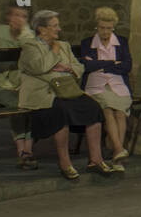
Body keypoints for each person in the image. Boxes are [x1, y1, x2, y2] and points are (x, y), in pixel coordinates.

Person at [19, 10, 121, 179]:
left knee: (93, 107)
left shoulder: (63, 45)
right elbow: (38, 68)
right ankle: (65, 163)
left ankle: (96, 160)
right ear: (42, 29)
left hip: (67, 90)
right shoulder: (31, 47)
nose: (59, 29)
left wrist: (64, 68)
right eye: (54, 26)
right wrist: (56, 59)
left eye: (58, 25)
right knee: (62, 112)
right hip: (44, 94)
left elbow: (78, 68)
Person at [0, 5, 38, 169]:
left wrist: (25, 32)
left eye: (23, 16)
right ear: (8, 17)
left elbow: (30, 58)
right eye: (16, 15)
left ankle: (28, 149)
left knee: (35, 102)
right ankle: (23, 151)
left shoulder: (28, 36)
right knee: (19, 104)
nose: (19, 19)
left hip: (18, 86)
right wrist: (8, 86)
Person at [77, 7, 134, 163]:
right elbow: (87, 67)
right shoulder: (87, 43)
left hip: (118, 84)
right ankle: (118, 150)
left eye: (109, 28)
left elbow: (127, 66)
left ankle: (116, 151)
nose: (105, 31)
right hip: (96, 85)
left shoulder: (121, 42)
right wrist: (112, 63)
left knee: (120, 113)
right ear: (97, 26)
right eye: (102, 28)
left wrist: (100, 64)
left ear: (113, 27)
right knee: (107, 110)